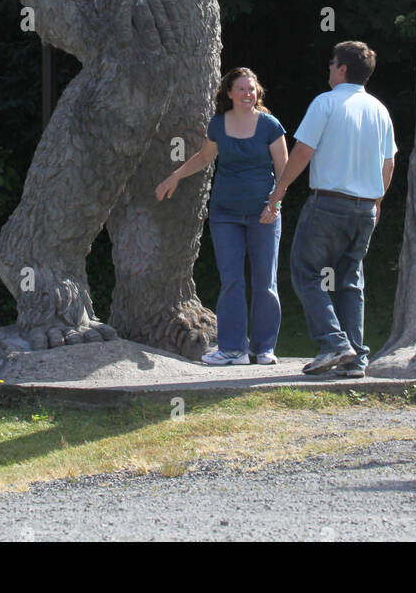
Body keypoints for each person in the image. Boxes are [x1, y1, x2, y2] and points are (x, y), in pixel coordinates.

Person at [261, 40, 395, 377]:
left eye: (332, 63)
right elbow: (389, 163)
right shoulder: (379, 109)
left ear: (343, 68)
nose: (329, 68)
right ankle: (356, 359)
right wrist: (377, 202)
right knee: (349, 280)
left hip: (328, 204)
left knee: (307, 273)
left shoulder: (325, 103)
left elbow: (303, 152)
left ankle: (334, 343)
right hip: (365, 207)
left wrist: (279, 191)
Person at [156, 67, 287, 365]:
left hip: (263, 214)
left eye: (251, 88)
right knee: (232, 282)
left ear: (258, 92)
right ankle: (233, 349)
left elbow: (284, 169)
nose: (247, 94)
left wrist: (275, 206)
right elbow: (204, 157)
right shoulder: (218, 124)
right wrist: (174, 177)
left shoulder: (270, 125)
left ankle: (263, 349)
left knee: (265, 282)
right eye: (241, 89)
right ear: (229, 93)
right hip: (225, 215)